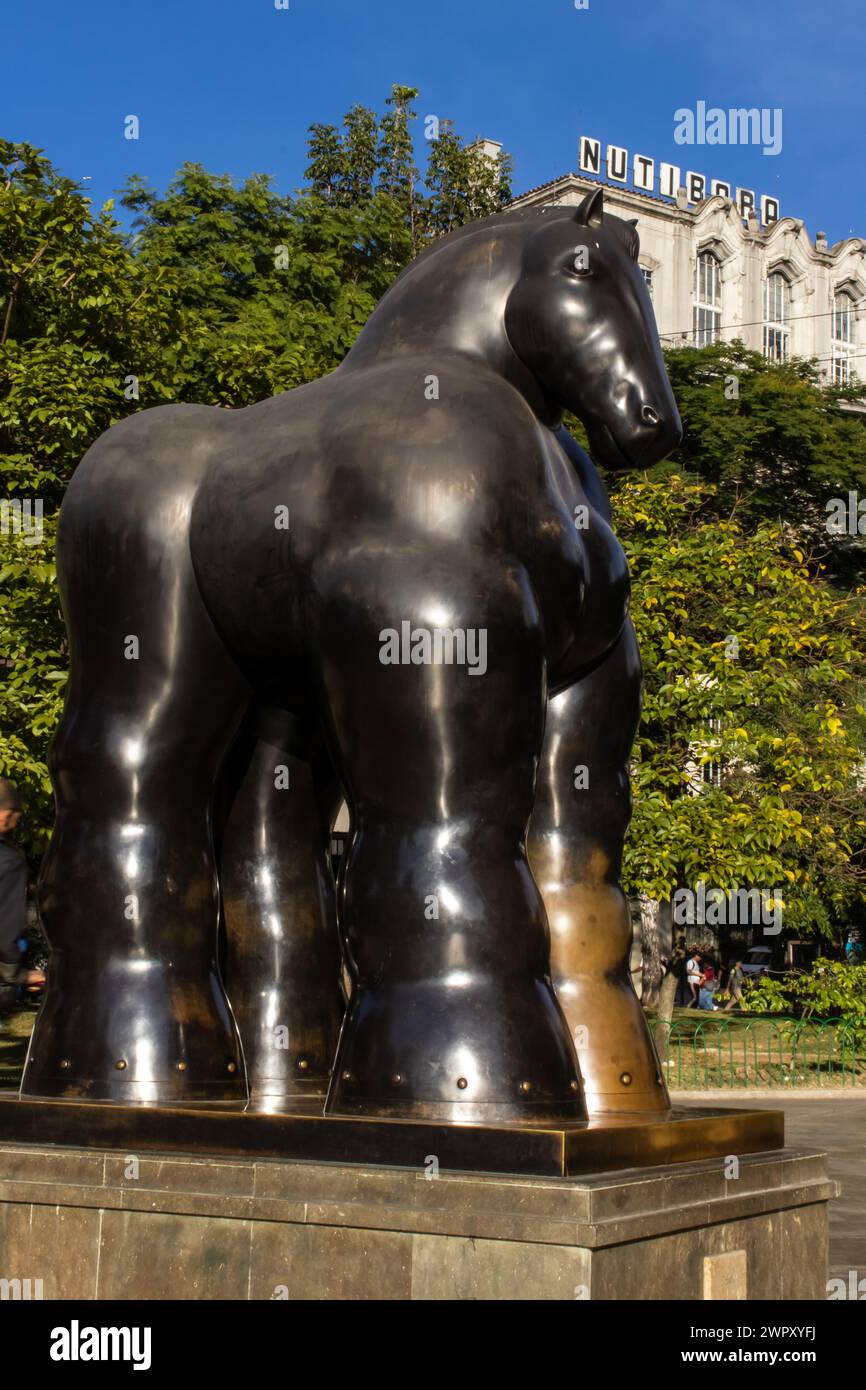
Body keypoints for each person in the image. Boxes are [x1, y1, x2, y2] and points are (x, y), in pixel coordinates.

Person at [0, 780, 44, 1021]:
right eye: (17, 816)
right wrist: (20, 975)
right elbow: (6, 934)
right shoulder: (8, 862)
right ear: (5, 816)